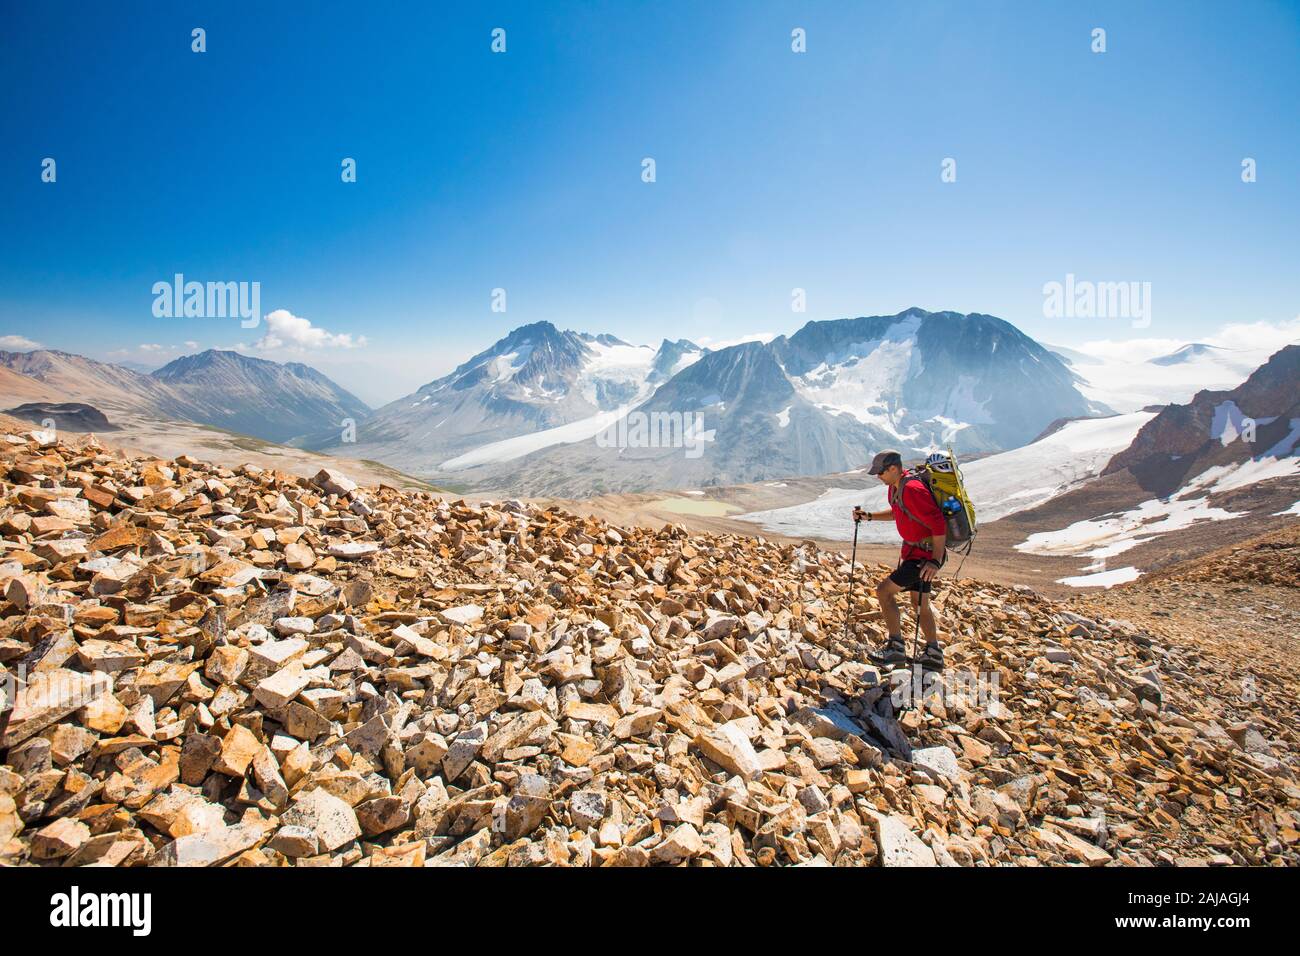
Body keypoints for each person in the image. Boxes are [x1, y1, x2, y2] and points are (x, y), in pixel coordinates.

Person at [851, 450, 946, 671]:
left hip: (922, 557)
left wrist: (935, 561)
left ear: (894, 469)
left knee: (884, 592)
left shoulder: (912, 489)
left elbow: (938, 523)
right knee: (919, 602)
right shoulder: (896, 488)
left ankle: (895, 649)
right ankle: (933, 654)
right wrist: (870, 516)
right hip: (915, 554)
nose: (878, 476)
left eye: (881, 472)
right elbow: (897, 513)